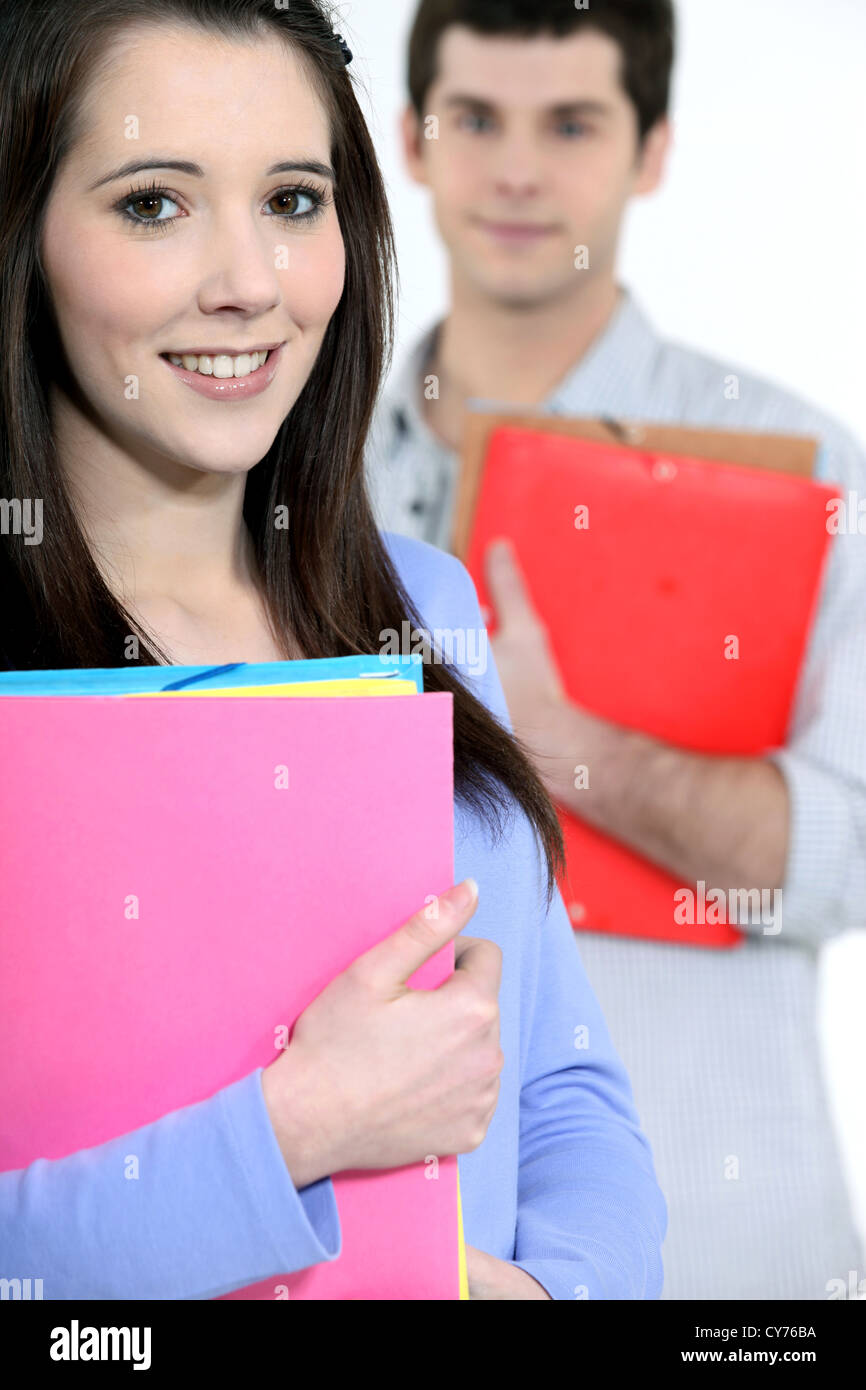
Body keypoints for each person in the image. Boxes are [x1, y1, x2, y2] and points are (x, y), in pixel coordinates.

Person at [0, 0, 666, 1301]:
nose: (250, 280)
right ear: (22, 238)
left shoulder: (424, 601)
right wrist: (298, 1125)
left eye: (294, 202)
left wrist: (554, 1297)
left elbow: (564, 1082)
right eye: (154, 204)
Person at [365, 0, 866, 1299]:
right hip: (375, 1241)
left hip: (719, 1241)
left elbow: (852, 854)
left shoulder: (808, 467)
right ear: (412, 141)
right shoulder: (290, 469)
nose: (517, 171)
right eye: (475, 119)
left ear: (650, 151)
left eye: (571, 123)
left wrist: (577, 759)